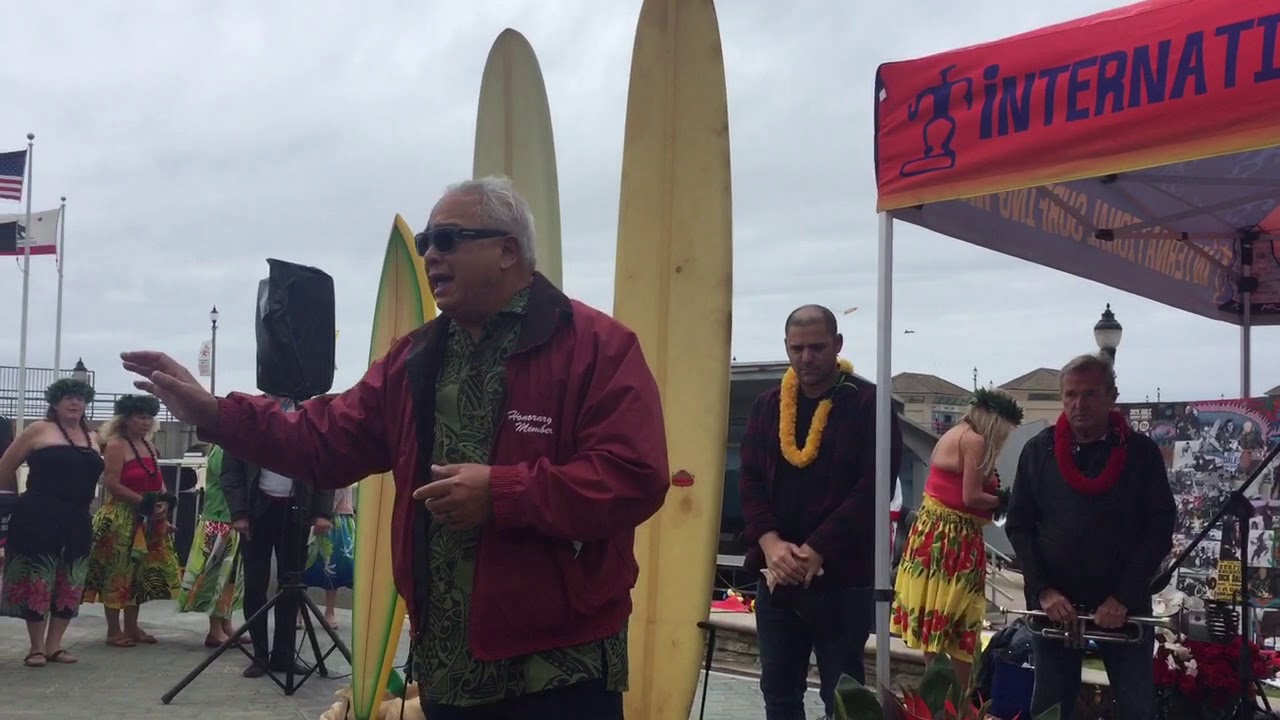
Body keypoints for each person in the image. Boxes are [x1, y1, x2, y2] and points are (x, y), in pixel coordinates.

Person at [122, 175, 670, 719]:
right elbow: (326, 438)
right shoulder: (415, 358)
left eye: (448, 238)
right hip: (444, 664)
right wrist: (218, 414)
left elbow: (633, 476)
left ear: (508, 250)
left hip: (561, 670)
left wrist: (503, 493)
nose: (430, 252)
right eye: (425, 240)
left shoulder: (598, 347)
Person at [738, 304, 903, 720]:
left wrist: (818, 548)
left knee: (843, 697)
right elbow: (751, 481)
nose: (806, 358)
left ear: (838, 345)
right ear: (786, 349)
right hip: (776, 577)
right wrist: (771, 544)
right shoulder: (766, 406)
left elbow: (874, 487)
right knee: (777, 691)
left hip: (843, 579)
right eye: (797, 348)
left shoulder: (870, 405)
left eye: (816, 347)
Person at [1004, 353, 1176, 718]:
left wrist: (1124, 596)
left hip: (1123, 609)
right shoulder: (1039, 451)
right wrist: (1043, 590)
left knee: (1135, 707)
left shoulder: (1141, 453)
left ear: (1112, 395)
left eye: (1091, 394)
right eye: (1070, 395)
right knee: (1050, 707)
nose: (1078, 404)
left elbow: (1159, 527)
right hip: (1054, 608)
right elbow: (1018, 525)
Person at [891, 388, 1022, 690]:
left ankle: (935, 699)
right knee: (963, 623)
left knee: (936, 623)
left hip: (931, 534)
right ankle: (957, 706)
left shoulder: (954, 433)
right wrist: (1010, 500)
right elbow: (971, 496)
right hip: (953, 538)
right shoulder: (974, 440)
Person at [220, 395, 335, 678]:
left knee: (292, 585)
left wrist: (322, 512)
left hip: (296, 511)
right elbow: (231, 472)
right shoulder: (249, 413)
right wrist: (239, 513)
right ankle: (260, 654)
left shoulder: (310, 414)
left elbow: (325, 467)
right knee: (257, 584)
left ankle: (283, 656)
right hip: (258, 510)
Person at [0, 379, 104, 667]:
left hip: (78, 516)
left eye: (81, 399)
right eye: (69, 398)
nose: (75, 404)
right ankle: (35, 647)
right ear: (55, 403)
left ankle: (54, 645)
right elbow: (5, 468)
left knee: (71, 578)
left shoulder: (92, 436)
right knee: (39, 577)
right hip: (38, 514)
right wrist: (11, 504)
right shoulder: (38, 430)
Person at [82, 394, 181, 647]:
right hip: (121, 519)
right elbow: (112, 484)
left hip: (146, 519)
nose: (146, 422)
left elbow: (158, 481)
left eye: (149, 417)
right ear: (126, 419)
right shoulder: (115, 446)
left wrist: (165, 505)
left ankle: (133, 627)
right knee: (117, 572)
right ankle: (114, 631)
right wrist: (145, 503)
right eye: (141, 417)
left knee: (138, 575)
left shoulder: (150, 446)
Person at [175, 444, 251, 647]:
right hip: (220, 519)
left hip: (233, 519)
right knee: (216, 576)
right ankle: (214, 629)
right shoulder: (223, 448)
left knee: (232, 578)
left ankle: (226, 624)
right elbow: (229, 478)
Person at [301, 483, 355, 630]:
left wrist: (326, 511)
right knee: (302, 563)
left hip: (337, 514)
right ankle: (299, 611)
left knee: (333, 564)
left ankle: (330, 610)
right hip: (307, 511)